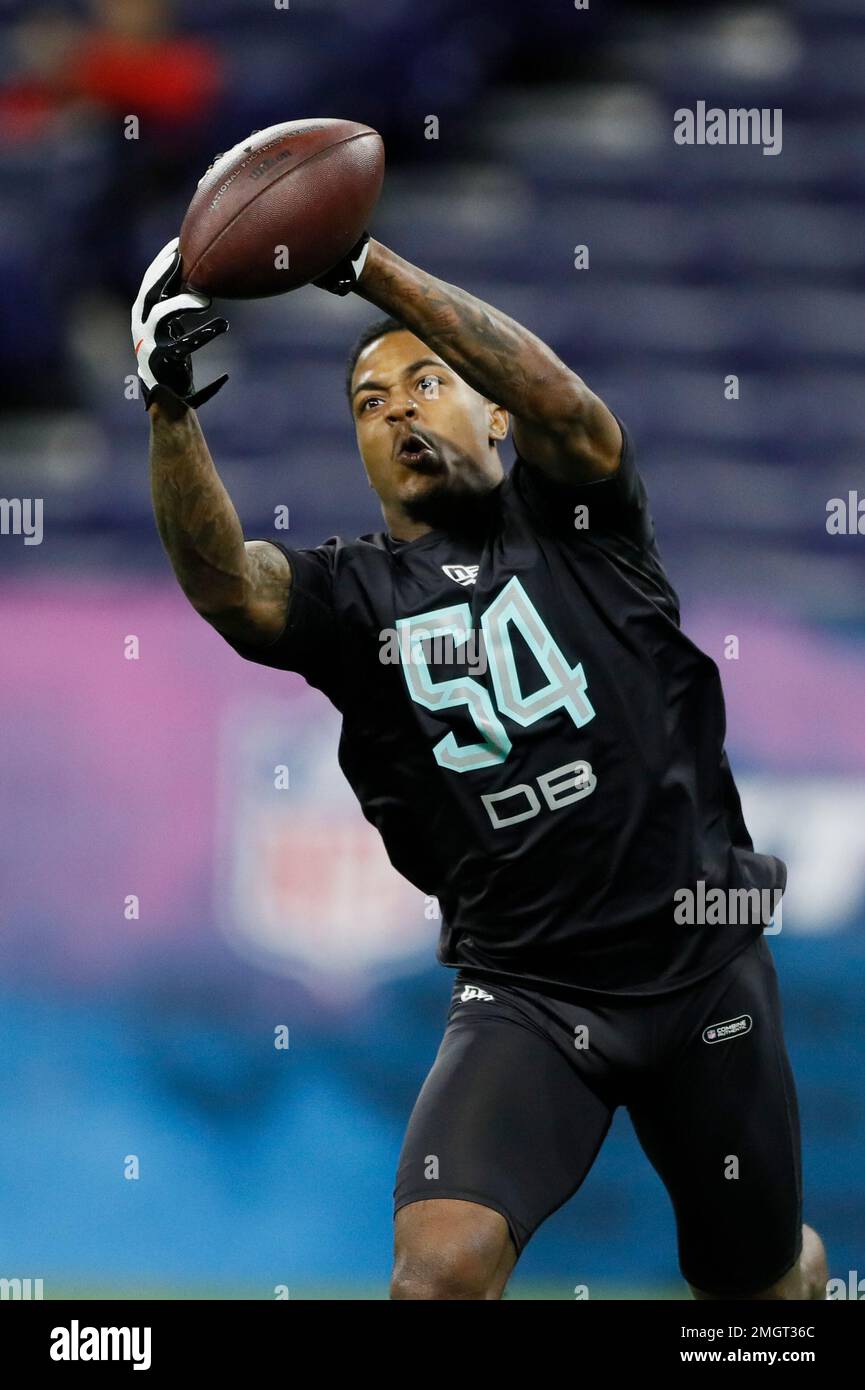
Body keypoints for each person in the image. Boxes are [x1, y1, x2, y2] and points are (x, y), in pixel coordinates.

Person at [133, 229, 828, 1301]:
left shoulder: (580, 519)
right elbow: (229, 585)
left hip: (699, 965)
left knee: (760, 1292)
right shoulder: (350, 595)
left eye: (426, 381)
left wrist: (363, 260)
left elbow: (565, 407)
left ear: (491, 409)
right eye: (369, 400)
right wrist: (168, 404)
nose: (398, 407)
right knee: (437, 1271)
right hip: (530, 990)